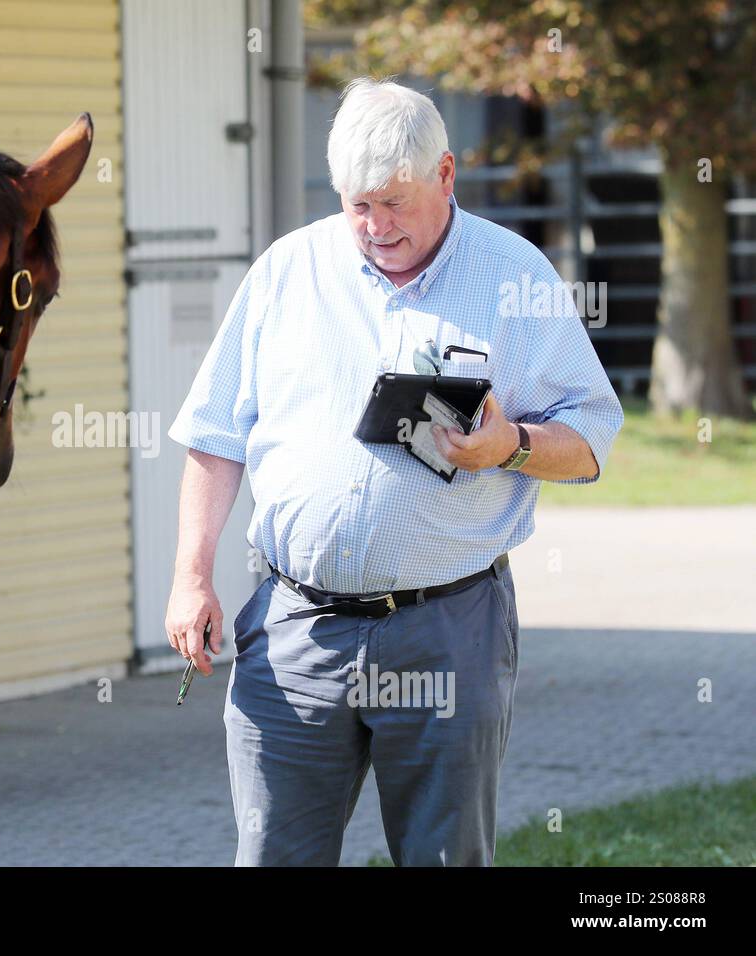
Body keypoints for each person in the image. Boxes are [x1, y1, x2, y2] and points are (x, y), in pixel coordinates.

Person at [165, 77, 624, 866]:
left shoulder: (513, 276)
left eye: (394, 203)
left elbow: (591, 439)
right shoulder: (287, 272)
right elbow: (214, 435)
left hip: (446, 631)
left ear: (445, 176)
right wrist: (191, 576)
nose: (374, 228)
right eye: (356, 206)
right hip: (295, 632)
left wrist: (508, 444)